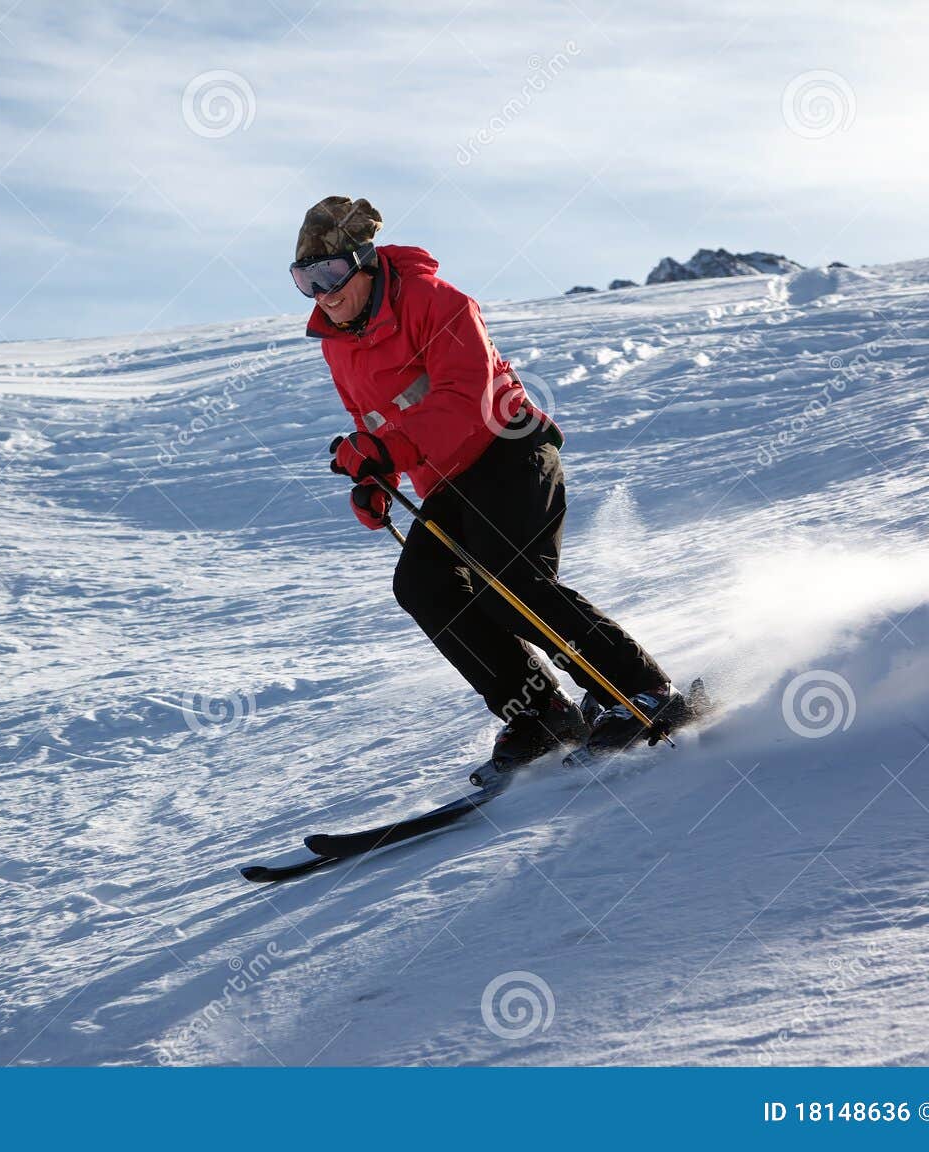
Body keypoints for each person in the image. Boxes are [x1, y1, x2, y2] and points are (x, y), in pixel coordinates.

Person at [292, 195, 696, 764]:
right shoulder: (340, 346)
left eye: (331, 272)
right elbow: (373, 425)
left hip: (509, 452)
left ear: (363, 260)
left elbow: (466, 400)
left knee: (509, 580)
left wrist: (383, 449)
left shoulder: (439, 302)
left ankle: (639, 689)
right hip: (447, 481)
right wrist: (375, 480)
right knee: (424, 586)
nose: (323, 292)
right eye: (305, 279)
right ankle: (539, 713)